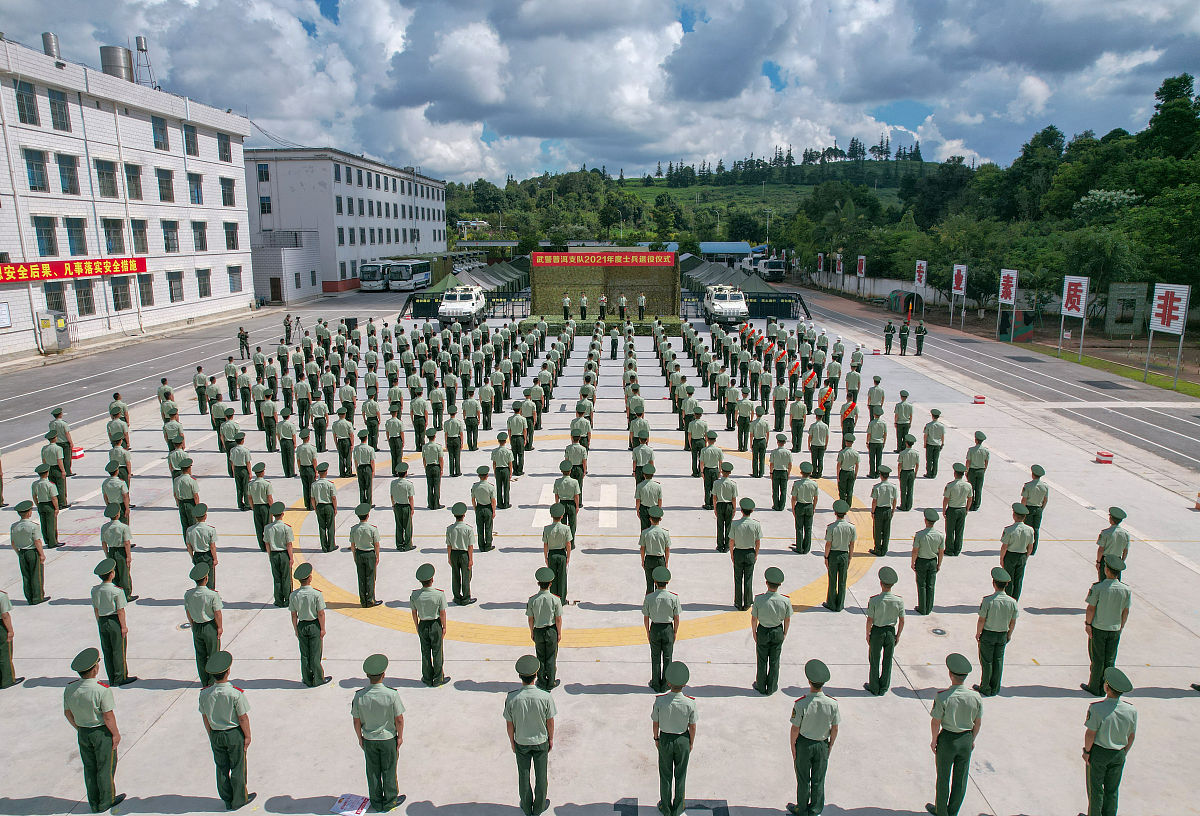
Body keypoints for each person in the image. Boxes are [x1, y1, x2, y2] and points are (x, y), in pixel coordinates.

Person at [63, 648, 126, 812]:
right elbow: (108, 716)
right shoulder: (101, 689)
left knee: (90, 767)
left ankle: (94, 802)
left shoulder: (70, 689)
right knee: (105, 767)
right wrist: (116, 734)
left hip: (83, 732)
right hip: (101, 732)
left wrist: (78, 727)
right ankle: (106, 801)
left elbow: (67, 712)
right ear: (95, 669)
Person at [926, 653, 983, 816]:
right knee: (961, 779)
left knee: (943, 778)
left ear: (950, 674)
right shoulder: (975, 696)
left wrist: (934, 740)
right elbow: (977, 722)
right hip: (966, 738)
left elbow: (936, 721)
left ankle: (941, 811)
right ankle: (952, 812)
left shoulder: (943, 696)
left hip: (948, 740)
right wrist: (972, 739)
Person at [199, 651, 255, 811]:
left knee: (221, 767)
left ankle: (227, 799)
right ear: (228, 671)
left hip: (216, 733)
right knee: (238, 766)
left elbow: (205, 717)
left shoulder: (204, 694)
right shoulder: (235, 693)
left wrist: (211, 734)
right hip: (233, 733)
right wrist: (248, 736)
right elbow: (243, 717)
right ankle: (239, 799)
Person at [352, 653, 407, 813]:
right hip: (388, 738)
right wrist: (400, 737)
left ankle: (376, 801)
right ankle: (390, 800)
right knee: (389, 769)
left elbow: (356, 721)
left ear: (368, 676)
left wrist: (360, 738)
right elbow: (399, 719)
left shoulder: (359, 695)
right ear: (384, 674)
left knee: (373, 771)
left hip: (369, 738)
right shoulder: (391, 694)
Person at [504, 655, 556, 816]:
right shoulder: (545, 697)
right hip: (540, 741)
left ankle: (526, 806)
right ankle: (539, 807)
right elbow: (550, 721)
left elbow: (509, 724)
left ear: (520, 676)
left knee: (523, 775)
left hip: (521, 742)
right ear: (536, 674)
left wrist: (512, 742)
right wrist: (551, 738)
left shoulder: (512, 698)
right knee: (541, 777)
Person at [788, 659, 840, 816]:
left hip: (804, 744)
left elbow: (795, 728)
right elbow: (835, 728)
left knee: (803, 779)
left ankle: (801, 808)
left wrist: (792, 745)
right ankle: (815, 809)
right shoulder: (832, 704)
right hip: (822, 744)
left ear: (809, 681)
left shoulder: (801, 703)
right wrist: (830, 745)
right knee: (818, 779)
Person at [1083, 667, 1137, 816]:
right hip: (1119, 753)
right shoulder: (1131, 710)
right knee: (1112, 791)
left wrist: (1087, 752)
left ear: (1106, 687)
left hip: (1100, 753)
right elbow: (1131, 736)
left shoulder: (1097, 708)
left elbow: (1090, 734)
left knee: (1096, 790)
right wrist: (1123, 752)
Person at [1082, 555, 1131, 697]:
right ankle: (1108, 687)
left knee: (1097, 658)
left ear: (1107, 570)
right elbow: (1125, 611)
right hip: (1114, 628)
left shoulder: (1099, 587)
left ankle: (1094, 687)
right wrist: (1121, 626)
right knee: (1110, 659)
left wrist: (1088, 624)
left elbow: (1091, 608)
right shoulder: (1125, 590)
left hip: (1099, 627)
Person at [652, 661, 698, 816]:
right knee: (680, 775)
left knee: (665, 775)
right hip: (682, 739)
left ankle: (665, 807)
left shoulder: (660, 701)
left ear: (669, 682)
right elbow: (692, 726)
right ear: (685, 684)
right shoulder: (690, 703)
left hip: (665, 740)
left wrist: (656, 739)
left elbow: (655, 723)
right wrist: (691, 742)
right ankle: (678, 808)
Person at [974, 567, 1018, 698]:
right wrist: (1009, 635)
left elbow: (982, 619)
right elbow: (1013, 622)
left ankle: (985, 687)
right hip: (1002, 634)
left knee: (987, 661)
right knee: (998, 661)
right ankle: (995, 687)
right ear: (1006, 585)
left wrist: (978, 633)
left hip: (988, 633)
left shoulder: (988, 601)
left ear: (994, 584)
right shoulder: (1012, 602)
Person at [91, 558, 135, 686]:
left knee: (107, 649)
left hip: (102, 620)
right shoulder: (117, 590)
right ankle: (120, 677)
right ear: (112, 574)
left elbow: (96, 609)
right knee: (118, 649)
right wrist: (124, 627)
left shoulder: (95, 590)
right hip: (114, 621)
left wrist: (99, 622)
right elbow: (120, 610)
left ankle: (111, 676)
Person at [751, 566, 792, 695]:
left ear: (766, 583)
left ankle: (761, 685)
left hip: (763, 630)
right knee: (775, 661)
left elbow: (754, 619)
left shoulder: (759, 599)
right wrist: (784, 633)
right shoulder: (785, 601)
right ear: (779, 585)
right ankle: (772, 686)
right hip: (777, 631)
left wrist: (754, 633)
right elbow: (787, 619)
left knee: (762, 660)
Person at [864, 567, 905, 695]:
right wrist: (897, 635)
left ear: (881, 583)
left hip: (877, 631)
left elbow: (870, 620)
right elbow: (902, 620)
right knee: (887, 660)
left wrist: (868, 634)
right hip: (890, 631)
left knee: (874, 659)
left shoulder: (874, 600)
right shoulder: (899, 601)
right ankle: (884, 687)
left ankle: (874, 686)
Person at [288, 562, 328, 687]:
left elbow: (294, 615)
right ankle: (318, 678)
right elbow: (320, 613)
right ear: (310, 578)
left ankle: (307, 678)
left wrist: (296, 629)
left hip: (302, 625)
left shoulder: (294, 595)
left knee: (305, 654)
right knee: (316, 653)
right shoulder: (316, 594)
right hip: (314, 625)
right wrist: (322, 629)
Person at [642, 566, 680, 693]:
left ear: (655, 582)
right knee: (668, 657)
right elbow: (676, 618)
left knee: (655, 657)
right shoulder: (674, 598)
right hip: (668, 628)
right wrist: (675, 632)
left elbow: (646, 617)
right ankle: (666, 684)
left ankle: (656, 683)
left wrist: (647, 631)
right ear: (667, 582)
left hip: (655, 627)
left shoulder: (649, 598)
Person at [184, 563, 223, 687]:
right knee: (213, 654)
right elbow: (217, 613)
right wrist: (220, 627)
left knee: (200, 655)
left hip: (196, 626)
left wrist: (192, 625)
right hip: (210, 626)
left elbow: (188, 611)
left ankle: (204, 680)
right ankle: (212, 681)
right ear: (206, 578)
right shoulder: (212, 595)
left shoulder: (188, 594)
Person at [410, 564, 449, 686]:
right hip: (435, 624)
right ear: (432, 580)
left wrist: (417, 626)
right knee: (437, 651)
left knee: (425, 651)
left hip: (422, 624)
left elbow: (414, 612)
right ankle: (438, 678)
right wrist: (444, 627)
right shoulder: (439, 594)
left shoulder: (415, 595)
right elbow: (442, 613)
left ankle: (427, 677)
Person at [527, 568, 563, 691]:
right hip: (551, 630)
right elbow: (558, 619)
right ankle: (551, 681)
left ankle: (542, 681)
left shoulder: (532, 600)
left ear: (538, 584)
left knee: (540, 656)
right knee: (551, 657)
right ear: (550, 584)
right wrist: (559, 633)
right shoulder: (555, 599)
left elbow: (530, 619)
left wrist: (532, 632)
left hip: (538, 630)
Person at [10, 500, 47, 604]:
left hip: (22, 552)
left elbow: (13, 543)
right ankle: (38, 597)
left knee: (26, 576)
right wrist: (42, 554)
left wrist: (19, 553)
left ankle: (29, 597)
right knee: (36, 575)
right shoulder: (33, 526)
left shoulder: (14, 526)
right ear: (29, 513)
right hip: (32, 552)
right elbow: (37, 541)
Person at [822, 500, 856, 612]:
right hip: (844, 554)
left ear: (835, 513)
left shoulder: (831, 527)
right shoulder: (851, 528)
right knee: (842, 580)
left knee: (832, 579)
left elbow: (828, 544)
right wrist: (850, 557)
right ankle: (840, 604)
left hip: (833, 555)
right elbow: (852, 544)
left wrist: (826, 557)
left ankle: (831, 603)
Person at [729, 498, 762, 611]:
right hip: (750, 552)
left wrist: (732, 554)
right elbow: (758, 542)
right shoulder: (756, 525)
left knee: (738, 578)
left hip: (738, 552)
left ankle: (738, 602)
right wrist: (756, 554)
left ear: (741, 511)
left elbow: (731, 541)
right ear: (751, 511)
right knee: (748, 578)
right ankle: (747, 602)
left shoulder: (735, 524)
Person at [912, 509, 946, 615]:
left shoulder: (919, 535)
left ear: (925, 520)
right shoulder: (940, 536)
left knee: (921, 585)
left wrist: (913, 562)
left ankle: (922, 607)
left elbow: (915, 550)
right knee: (931, 585)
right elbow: (941, 552)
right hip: (932, 561)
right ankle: (929, 607)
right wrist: (939, 564)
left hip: (921, 561)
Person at [999, 503, 1035, 600]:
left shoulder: (1009, 530)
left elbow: (1004, 547)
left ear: (1014, 516)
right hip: (1022, 556)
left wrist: (1002, 559)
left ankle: (1008, 599)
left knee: (1008, 579)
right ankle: (1015, 599)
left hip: (1010, 556)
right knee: (1018, 580)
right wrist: (1025, 557)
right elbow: (1030, 547)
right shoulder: (1030, 530)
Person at [350, 503, 383, 608]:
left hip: (359, 553)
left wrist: (354, 556)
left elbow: (352, 545)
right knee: (370, 577)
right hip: (369, 554)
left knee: (361, 578)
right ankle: (370, 600)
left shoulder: (354, 529)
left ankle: (363, 600)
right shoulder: (372, 529)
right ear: (368, 516)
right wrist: (377, 556)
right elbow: (376, 544)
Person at [446, 502, 477, 605]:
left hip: (454, 553)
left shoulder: (450, 529)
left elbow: (449, 545)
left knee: (455, 576)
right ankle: (466, 597)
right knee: (466, 576)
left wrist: (449, 558)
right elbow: (470, 546)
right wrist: (471, 559)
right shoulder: (468, 529)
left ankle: (457, 597)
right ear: (464, 515)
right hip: (464, 554)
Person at [543, 504, 573, 602]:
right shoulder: (566, 529)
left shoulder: (546, 529)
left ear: (552, 516)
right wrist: (568, 556)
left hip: (551, 554)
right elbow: (568, 544)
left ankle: (553, 597)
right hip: (561, 554)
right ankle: (562, 599)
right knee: (562, 577)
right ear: (562, 516)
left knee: (552, 577)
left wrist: (546, 557)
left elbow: (545, 545)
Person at [942, 463, 973, 556]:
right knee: (959, 530)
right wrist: (967, 509)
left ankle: (949, 549)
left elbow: (946, 499)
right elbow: (970, 498)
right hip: (962, 509)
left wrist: (944, 510)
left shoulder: (950, 485)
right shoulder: (968, 485)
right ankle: (957, 549)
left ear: (954, 473)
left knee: (950, 530)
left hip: (952, 509)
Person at [789, 461, 818, 554]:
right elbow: (816, 498)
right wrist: (813, 507)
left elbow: (793, 498)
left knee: (799, 527)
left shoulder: (797, 484)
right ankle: (806, 548)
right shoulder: (814, 484)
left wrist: (793, 508)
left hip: (800, 506)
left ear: (801, 472)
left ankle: (799, 547)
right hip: (809, 505)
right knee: (808, 528)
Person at [1094, 507, 1130, 582]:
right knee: (1115, 582)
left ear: (1111, 519)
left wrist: (1098, 562)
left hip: (1106, 560)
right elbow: (1125, 551)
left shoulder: (1105, 533)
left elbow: (1101, 549)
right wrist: (1121, 561)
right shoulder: (1126, 534)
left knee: (1103, 582)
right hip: (1117, 560)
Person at [1020, 464, 1049, 553]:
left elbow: (1024, 500)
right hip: (1039, 509)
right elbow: (1045, 500)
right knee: (1036, 529)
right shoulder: (1045, 486)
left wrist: (1022, 512)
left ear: (1033, 474)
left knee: (1027, 529)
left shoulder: (1028, 486)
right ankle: (1033, 549)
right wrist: (1041, 509)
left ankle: (1026, 548)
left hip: (1029, 509)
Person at [870, 465, 898, 556]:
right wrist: (893, 510)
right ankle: (884, 549)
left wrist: (873, 511)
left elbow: (874, 501)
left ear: (880, 475)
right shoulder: (893, 487)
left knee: (877, 531)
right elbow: (894, 500)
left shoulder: (877, 487)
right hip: (888, 510)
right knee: (886, 531)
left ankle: (877, 549)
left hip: (879, 510)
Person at [31, 464, 61, 548]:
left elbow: (34, 496)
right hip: (49, 505)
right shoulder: (50, 484)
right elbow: (54, 498)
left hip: (41, 504)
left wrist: (38, 505)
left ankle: (47, 540)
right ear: (47, 473)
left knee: (43, 524)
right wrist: (56, 508)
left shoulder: (35, 484)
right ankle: (53, 542)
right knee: (51, 524)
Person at [312, 462, 337, 553]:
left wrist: (315, 508)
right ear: (326, 472)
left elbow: (312, 498)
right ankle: (331, 546)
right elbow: (333, 498)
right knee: (330, 526)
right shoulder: (330, 484)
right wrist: (335, 508)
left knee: (322, 527)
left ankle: (324, 546)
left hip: (319, 506)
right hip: (328, 506)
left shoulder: (314, 484)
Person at [712, 462, 737, 553]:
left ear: (721, 471)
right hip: (729, 505)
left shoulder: (716, 483)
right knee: (728, 526)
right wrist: (734, 509)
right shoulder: (733, 484)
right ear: (730, 473)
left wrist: (715, 508)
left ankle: (719, 545)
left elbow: (714, 497)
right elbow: (734, 498)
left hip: (720, 505)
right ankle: (727, 546)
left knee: (720, 526)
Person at [964, 431, 989, 510]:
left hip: (972, 470)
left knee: (971, 488)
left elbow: (968, 461)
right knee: (978, 489)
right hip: (981, 471)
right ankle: (977, 505)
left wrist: (966, 471)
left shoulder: (971, 450)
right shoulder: (986, 451)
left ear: (976, 440)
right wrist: (984, 470)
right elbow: (986, 462)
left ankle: (970, 505)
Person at [422, 429, 445, 509]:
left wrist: (425, 468)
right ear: (435, 436)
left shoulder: (424, 447)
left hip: (428, 467)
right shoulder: (438, 447)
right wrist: (441, 469)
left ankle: (430, 504)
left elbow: (424, 459)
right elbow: (441, 459)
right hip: (436, 467)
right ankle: (436, 504)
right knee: (436, 486)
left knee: (429, 486)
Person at [898, 433, 919, 511]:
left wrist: (899, 474)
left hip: (904, 472)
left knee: (903, 490)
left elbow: (899, 465)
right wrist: (915, 473)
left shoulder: (902, 453)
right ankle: (909, 505)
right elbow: (917, 464)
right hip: (912, 472)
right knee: (910, 489)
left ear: (906, 443)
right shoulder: (916, 453)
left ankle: (903, 505)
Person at [924, 409, 945, 478]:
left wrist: (925, 443)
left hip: (930, 444)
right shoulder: (941, 426)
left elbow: (926, 435)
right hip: (937, 445)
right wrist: (942, 443)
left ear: (932, 416)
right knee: (935, 460)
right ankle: (934, 474)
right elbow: (942, 435)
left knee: (929, 460)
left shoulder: (929, 425)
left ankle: (928, 473)